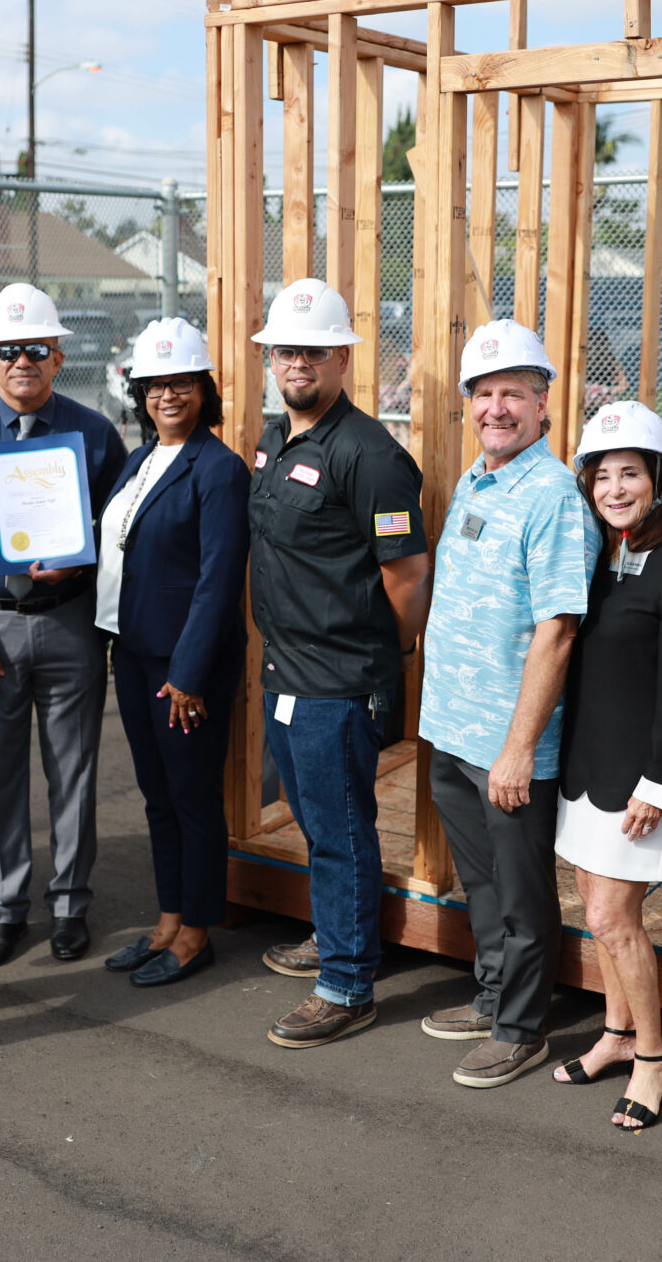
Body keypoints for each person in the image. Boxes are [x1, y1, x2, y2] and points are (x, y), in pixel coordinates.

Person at [0, 282, 129, 968]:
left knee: (73, 770)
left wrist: (79, 566)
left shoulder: (95, 433)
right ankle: (4, 909)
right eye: (8, 350)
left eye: (36, 348)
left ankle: (70, 904)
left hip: (69, 623)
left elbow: (116, 530)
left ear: (58, 355)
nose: (22, 360)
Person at [250, 277, 431, 1048]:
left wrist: (383, 654)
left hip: (339, 681)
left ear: (343, 358)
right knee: (319, 825)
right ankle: (334, 936)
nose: (297, 363)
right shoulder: (274, 435)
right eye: (285, 350)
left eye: (313, 351)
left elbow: (407, 574)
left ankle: (348, 983)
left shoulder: (372, 456)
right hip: (286, 674)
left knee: (341, 828)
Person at [416, 319, 592, 1087]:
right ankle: (493, 996)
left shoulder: (553, 496)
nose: (496, 407)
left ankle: (522, 1025)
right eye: (483, 393)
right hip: (454, 728)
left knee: (522, 892)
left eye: (512, 393)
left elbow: (558, 630)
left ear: (544, 402)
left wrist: (519, 745)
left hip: (508, 741)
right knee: (482, 879)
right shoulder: (477, 479)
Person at [551, 400, 662, 1129]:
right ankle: (618, 1033)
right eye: (601, 476)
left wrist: (660, 783)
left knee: (612, 917)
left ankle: (652, 1058)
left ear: (659, 476)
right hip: (588, 772)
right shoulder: (603, 553)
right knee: (597, 916)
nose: (615, 488)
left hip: (640, 786)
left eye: (630, 473)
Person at [95, 318, 248, 988]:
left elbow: (218, 577)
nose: (167, 395)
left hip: (183, 667)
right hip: (133, 653)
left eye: (180, 383)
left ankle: (196, 931)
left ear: (203, 389)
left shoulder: (218, 469)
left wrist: (187, 675)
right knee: (157, 794)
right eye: (155, 385)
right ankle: (167, 917)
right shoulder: (141, 457)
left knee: (191, 796)